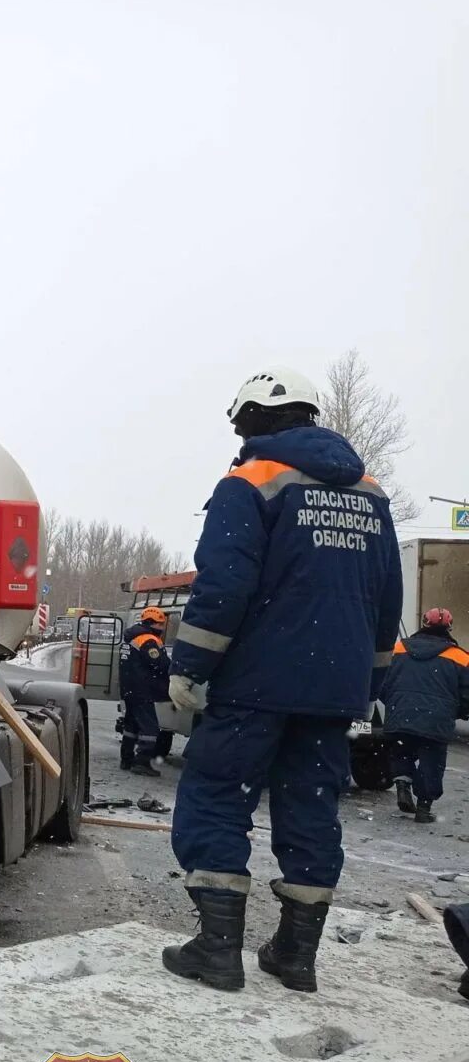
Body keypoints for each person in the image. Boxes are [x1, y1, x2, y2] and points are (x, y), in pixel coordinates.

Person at [160, 366, 402, 994]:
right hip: (332, 691)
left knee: (216, 796)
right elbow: (386, 597)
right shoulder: (370, 494)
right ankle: (295, 956)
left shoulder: (251, 482)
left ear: (250, 421)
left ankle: (217, 951)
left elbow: (225, 584)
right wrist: (370, 684)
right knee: (312, 807)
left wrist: (190, 667)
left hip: (254, 686)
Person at [383, 608, 469, 824]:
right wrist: (458, 712)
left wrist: (395, 704)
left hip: (401, 714)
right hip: (436, 721)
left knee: (402, 751)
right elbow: (467, 694)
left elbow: (382, 682)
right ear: (448, 628)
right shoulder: (460, 657)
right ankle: (424, 808)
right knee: (432, 762)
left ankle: (402, 784)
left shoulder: (399, 648)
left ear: (424, 624)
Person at [119, 607, 172, 801]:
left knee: (131, 726)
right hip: (143, 690)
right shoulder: (148, 640)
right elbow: (160, 664)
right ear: (151, 623)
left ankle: (126, 759)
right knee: (150, 729)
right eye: (160, 624)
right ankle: (142, 761)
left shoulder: (131, 636)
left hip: (130, 688)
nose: (162, 628)